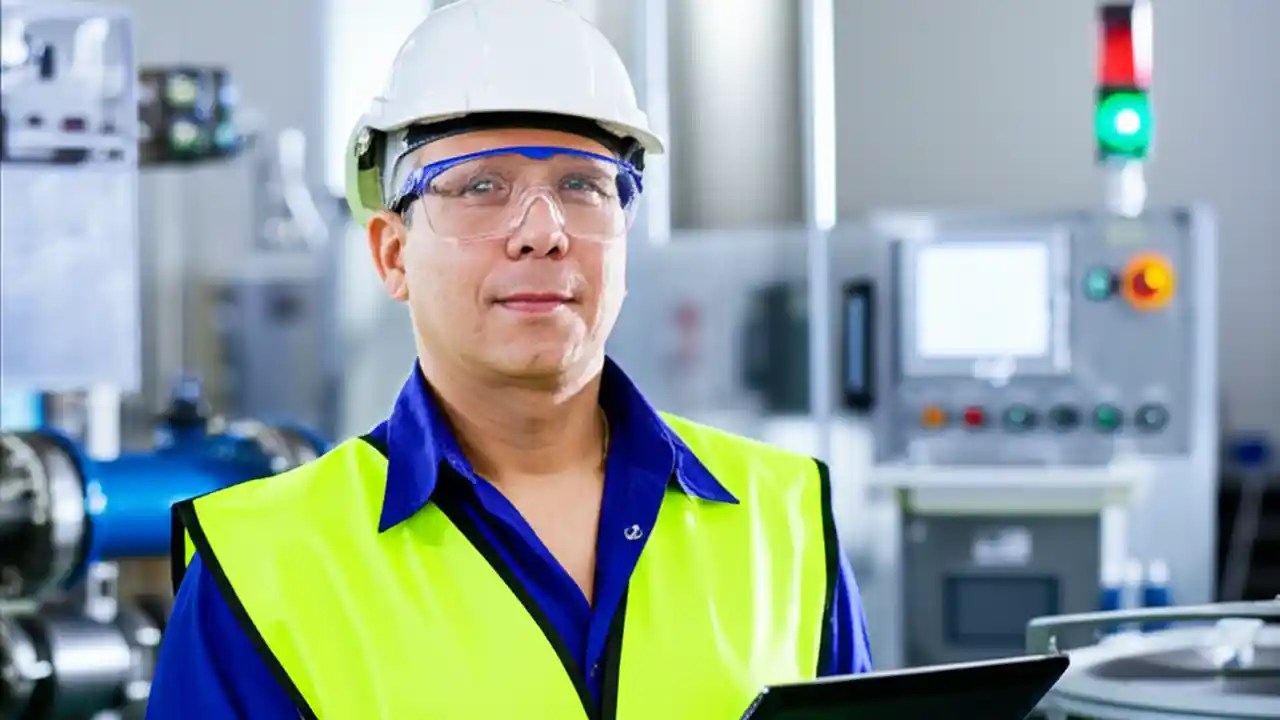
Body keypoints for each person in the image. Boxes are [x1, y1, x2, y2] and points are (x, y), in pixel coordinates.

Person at [146, 1, 872, 717]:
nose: (542, 233)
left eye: (582, 185)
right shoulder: (259, 565)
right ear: (392, 255)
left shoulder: (785, 518)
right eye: (481, 185)